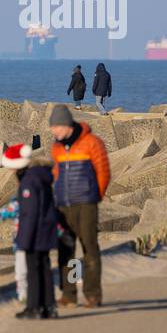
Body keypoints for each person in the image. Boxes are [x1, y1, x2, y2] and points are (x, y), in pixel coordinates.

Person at [50, 104, 110, 308]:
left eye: (55, 127)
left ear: (66, 125)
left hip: (86, 204)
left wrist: (95, 196)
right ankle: (69, 293)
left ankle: (93, 294)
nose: (53, 131)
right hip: (63, 205)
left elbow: (103, 172)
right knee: (67, 250)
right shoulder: (56, 147)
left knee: (89, 248)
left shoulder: (92, 143)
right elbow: (57, 174)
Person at [4, 141, 59, 319]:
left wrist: (23, 240)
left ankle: (34, 308)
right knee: (44, 269)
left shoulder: (29, 182)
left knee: (33, 272)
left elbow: (30, 213)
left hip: (35, 234)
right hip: (46, 230)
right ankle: (49, 307)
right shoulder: (40, 176)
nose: (10, 171)